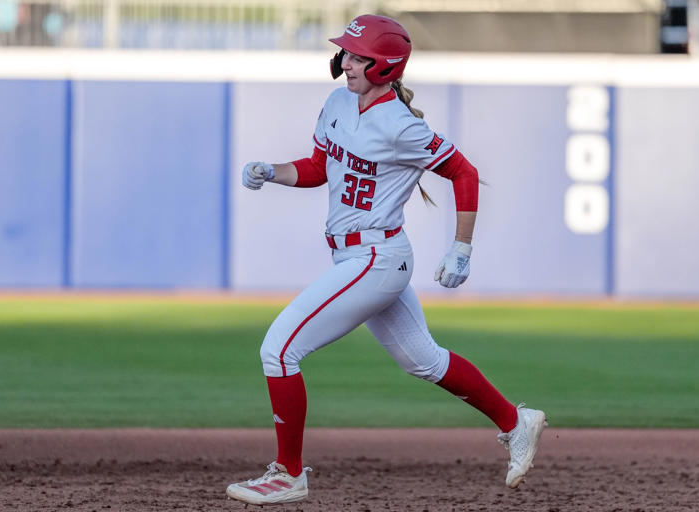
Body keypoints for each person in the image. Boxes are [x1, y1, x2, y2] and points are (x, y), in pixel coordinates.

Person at [225, 14, 547, 505]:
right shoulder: (337, 101)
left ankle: (289, 474)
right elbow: (318, 168)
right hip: (357, 257)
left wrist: (462, 248)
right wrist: (273, 171)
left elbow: (464, 172)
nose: (347, 62)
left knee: (279, 350)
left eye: (358, 56)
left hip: (377, 258)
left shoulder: (399, 124)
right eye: (347, 53)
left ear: (385, 66)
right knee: (425, 360)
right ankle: (515, 421)